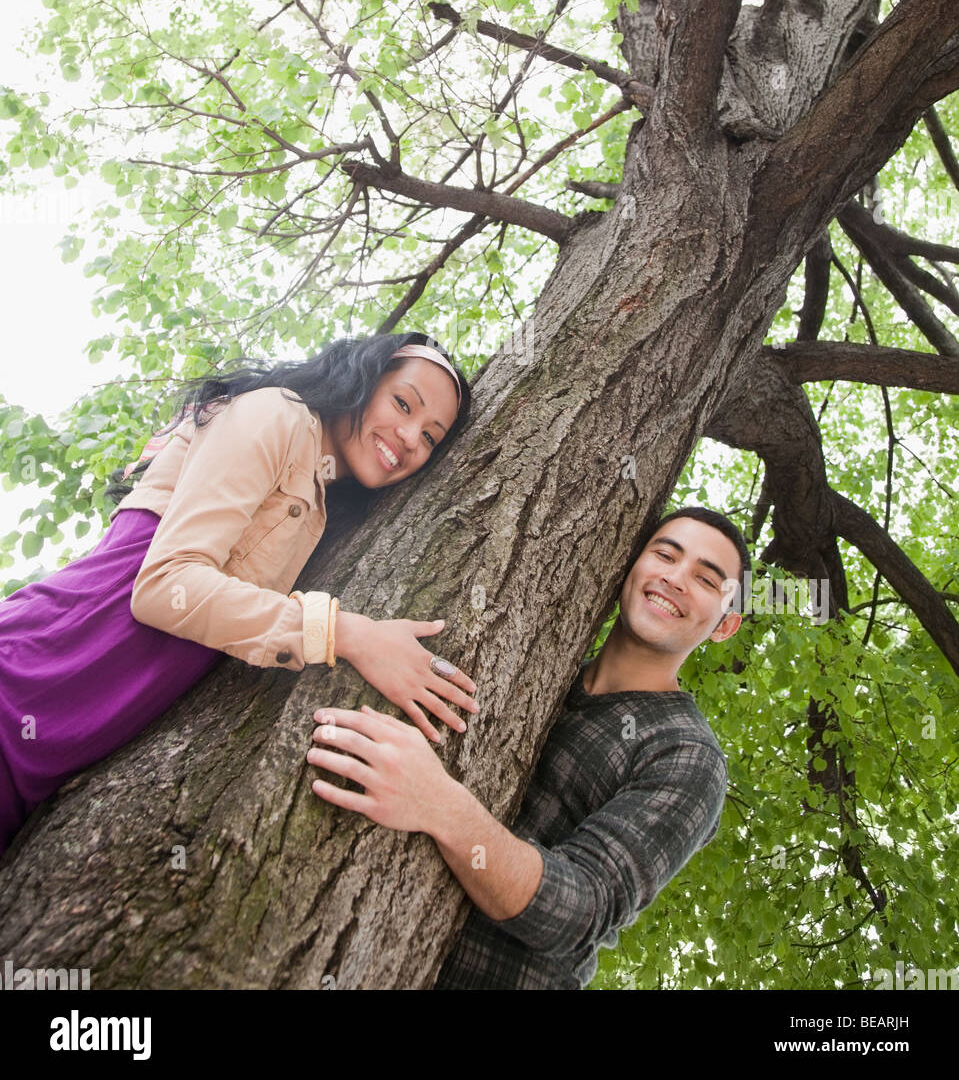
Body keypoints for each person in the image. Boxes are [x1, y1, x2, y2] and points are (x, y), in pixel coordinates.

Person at [0, 332, 477, 856]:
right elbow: (166, 586)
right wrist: (348, 634)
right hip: (23, 686)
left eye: (431, 437)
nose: (410, 437)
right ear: (361, 377)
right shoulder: (280, 414)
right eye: (403, 403)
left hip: (53, 758)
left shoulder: (322, 508)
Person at [305, 506, 747, 990]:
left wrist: (439, 805)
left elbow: (581, 911)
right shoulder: (544, 663)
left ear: (725, 626)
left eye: (707, 581)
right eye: (665, 554)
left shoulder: (687, 754)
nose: (676, 578)